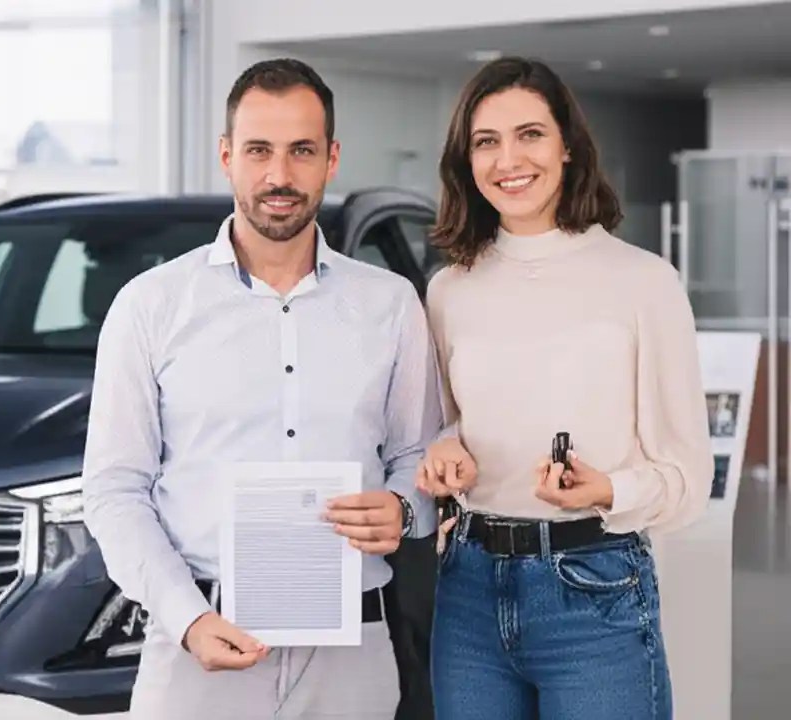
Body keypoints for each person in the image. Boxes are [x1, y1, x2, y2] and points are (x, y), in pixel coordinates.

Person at [82, 57, 442, 719]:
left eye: (301, 150)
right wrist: (186, 617)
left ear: (332, 159)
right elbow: (113, 488)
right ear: (227, 156)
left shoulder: (391, 305)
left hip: (352, 650)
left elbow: (419, 457)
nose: (279, 176)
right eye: (259, 151)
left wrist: (402, 507)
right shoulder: (151, 306)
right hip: (197, 642)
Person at [418, 56, 713, 720]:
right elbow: (442, 429)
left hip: (594, 587)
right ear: (466, 161)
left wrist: (608, 489)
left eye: (530, 134)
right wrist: (443, 455)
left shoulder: (642, 281)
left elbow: (688, 475)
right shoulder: (449, 289)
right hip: (467, 589)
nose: (508, 159)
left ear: (569, 148)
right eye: (486, 141)